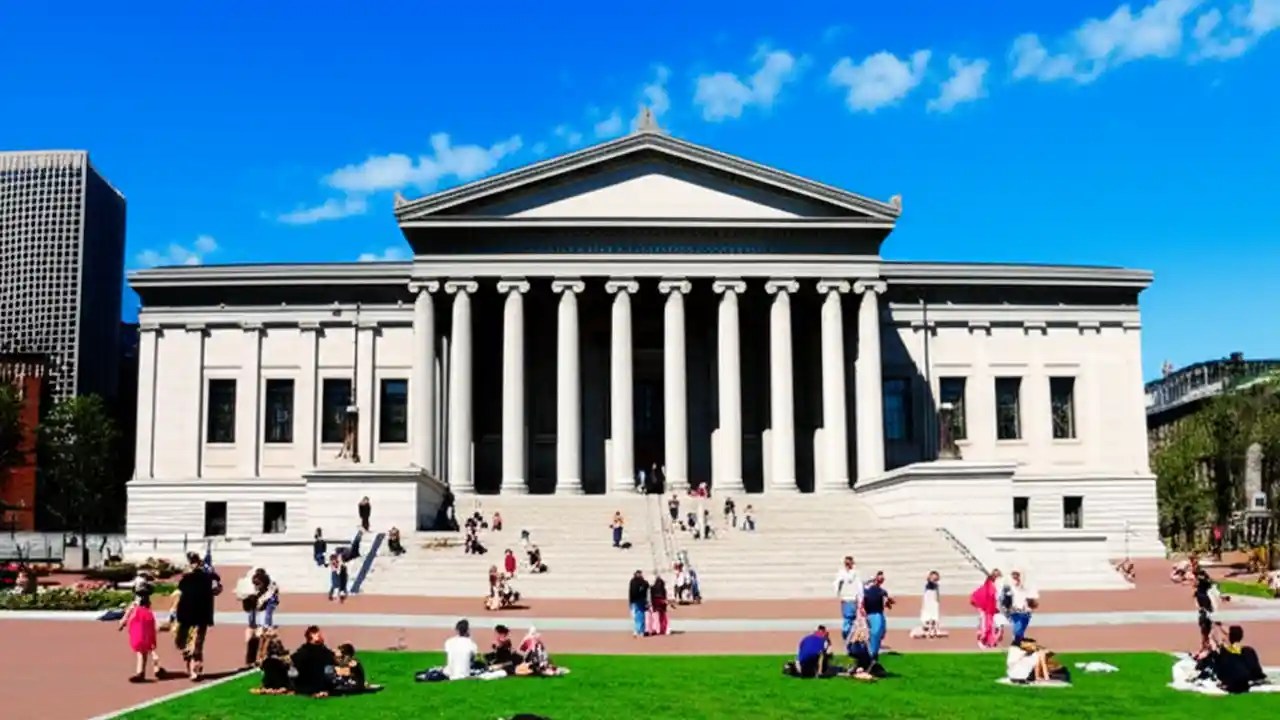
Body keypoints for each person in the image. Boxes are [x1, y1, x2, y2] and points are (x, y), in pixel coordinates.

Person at [172, 551, 219, 681]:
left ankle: (194, 670)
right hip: (186, 614)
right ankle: (191, 667)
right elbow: (180, 593)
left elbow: (217, 589)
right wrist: (173, 610)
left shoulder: (208, 574)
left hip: (200, 614)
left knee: (197, 644)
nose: (192, 563)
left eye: (194, 560)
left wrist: (213, 582)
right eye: (191, 561)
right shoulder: (186, 577)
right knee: (183, 643)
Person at [119, 592, 163, 682]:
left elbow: (125, 619)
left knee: (140, 653)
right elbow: (154, 623)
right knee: (149, 650)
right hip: (148, 633)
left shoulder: (134, 608)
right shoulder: (148, 611)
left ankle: (140, 673)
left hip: (137, 632)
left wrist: (122, 625)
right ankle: (156, 667)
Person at [291, 625, 337, 697]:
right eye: (317, 634)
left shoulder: (323, 650)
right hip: (310, 683)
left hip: (307, 685)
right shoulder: (305, 651)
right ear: (311, 635)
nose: (320, 636)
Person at [862, 571, 894, 660]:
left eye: (882, 579)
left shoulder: (882, 591)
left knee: (880, 632)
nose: (880, 580)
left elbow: (887, 603)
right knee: (875, 633)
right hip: (873, 614)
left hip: (879, 613)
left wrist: (889, 602)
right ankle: (873, 653)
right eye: (879, 578)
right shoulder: (866, 591)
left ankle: (874, 650)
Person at [971, 569, 1003, 649]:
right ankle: (982, 640)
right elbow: (988, 595)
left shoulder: (995, 586)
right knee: (985, 625)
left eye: (997, 575)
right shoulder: (989, 584)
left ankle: (989, 642)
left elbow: (994, 599)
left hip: (990, 608)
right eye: (995, 575)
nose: (996, 577)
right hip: (984, 607)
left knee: (991, 625)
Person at [834, 556, 863, 643]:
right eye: (846, 563)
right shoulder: (841, 573)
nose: (847, 565)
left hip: (853, 598)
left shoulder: (855, 573)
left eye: (849, 563)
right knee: (848, 617)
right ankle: (846, 633)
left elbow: (859, 586)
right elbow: (837, 583)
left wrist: (860, 598)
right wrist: (838, 593)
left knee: (851, 618)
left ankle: (848, 634)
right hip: (846, 598)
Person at [1008, 570, 1038, 645]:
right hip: (1016, 611)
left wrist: (1032, 603)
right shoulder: (1010, 588)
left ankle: (1020, 640)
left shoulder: (1024, 587)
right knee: (1018, 627)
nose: (1015, 577)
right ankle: (1017, 642)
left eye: (1017, 575)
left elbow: (1029, 598)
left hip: (1025, 611)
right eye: (1013, 575)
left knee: (1022, 627)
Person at [914, 570, 943, 639]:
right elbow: (929, 583)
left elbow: (937, 594)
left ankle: (934, 628)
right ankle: (929, 628)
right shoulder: (929, 585)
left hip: (934, 600)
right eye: (933, 578)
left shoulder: (936, 585)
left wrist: (938, 599)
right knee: (929, 613)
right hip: (929, 599)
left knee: (934, 613)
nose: (934, 579)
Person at [628, 570, 650, 638]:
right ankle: (640, 631)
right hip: (640, 600)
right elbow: (646, 587)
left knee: (637, 616)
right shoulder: (642, 582)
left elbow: (631, 592)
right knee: (640, 616)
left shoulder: (633, 581)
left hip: (635, 601)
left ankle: (638, 630)